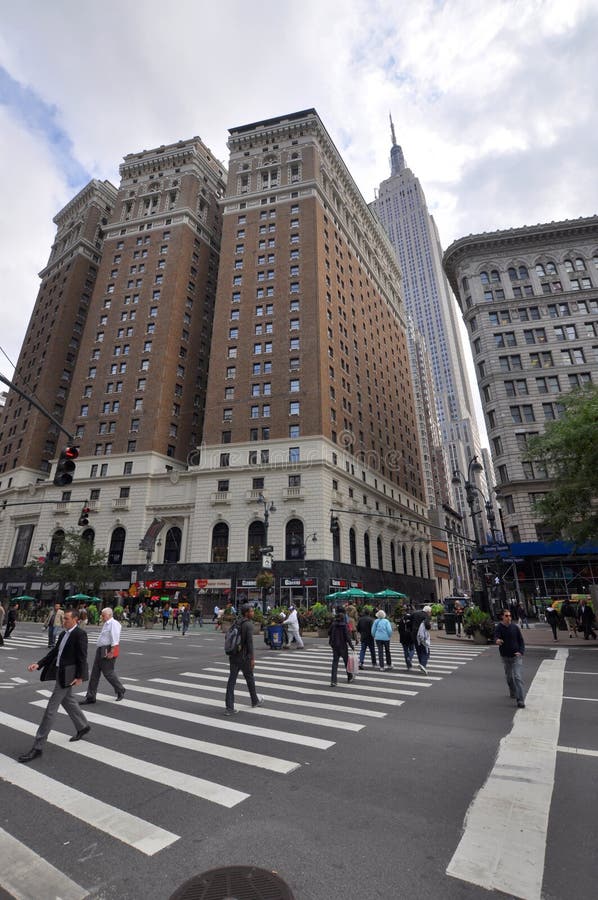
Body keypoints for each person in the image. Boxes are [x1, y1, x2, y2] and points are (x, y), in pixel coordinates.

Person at [18, 608, 91, 762]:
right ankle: (83, 726)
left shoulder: (80, 634)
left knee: (50, 710)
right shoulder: (64, 634)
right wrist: (38, 664)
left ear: (75, 620)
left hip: (68, 676)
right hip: (60, 672)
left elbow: (82, 657)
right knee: (69, 700)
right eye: (64, 618)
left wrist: (80, 676)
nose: (64, 621)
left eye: (67, 619)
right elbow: (54, 653)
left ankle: (38, 747)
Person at [79, 607, 125, 705]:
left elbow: (115, 639)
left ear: (109, 615)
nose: (102, 617)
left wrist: (112, 651)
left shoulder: (114, 624)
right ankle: (91, 696)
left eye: (103, 615)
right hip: (101, 649)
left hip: (108, 649)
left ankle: (120, 689)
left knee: (108, 672)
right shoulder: (106, 624)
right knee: (95, 674)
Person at [224, 603, 262, 714]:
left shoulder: (237, 622)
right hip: (244, 657)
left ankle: (229, 707)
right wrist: (252, 658)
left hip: (234, 656)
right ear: (247, 613)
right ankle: (254, 700)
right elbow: (249, 643)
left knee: (231, 681)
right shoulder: (248, 625)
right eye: (251, 611)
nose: (253, 613)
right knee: (250, 678)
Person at [494, 608, 526, 708]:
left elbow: (521, 641)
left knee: (517, 677)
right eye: (507, 616)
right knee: (509, 677)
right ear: (502, 617)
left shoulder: (515, 627)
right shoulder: (499, 627)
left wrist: (520, 652)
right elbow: (496, 637)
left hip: (516, 656)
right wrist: (497, 641)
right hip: (505, 657)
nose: (509, 618)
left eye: (510, 616)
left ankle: (520, 700)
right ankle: (512, 691)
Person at [328, 606, 355, 686]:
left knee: (335, 663)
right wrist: (351, 646)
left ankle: (333, 681)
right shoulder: (344, 625)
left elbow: (329, 632)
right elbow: (347, 637)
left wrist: (331, 643)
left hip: (335, 646)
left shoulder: (333, 624)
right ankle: (349, 677)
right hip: (343, 646)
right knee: (346, 662)